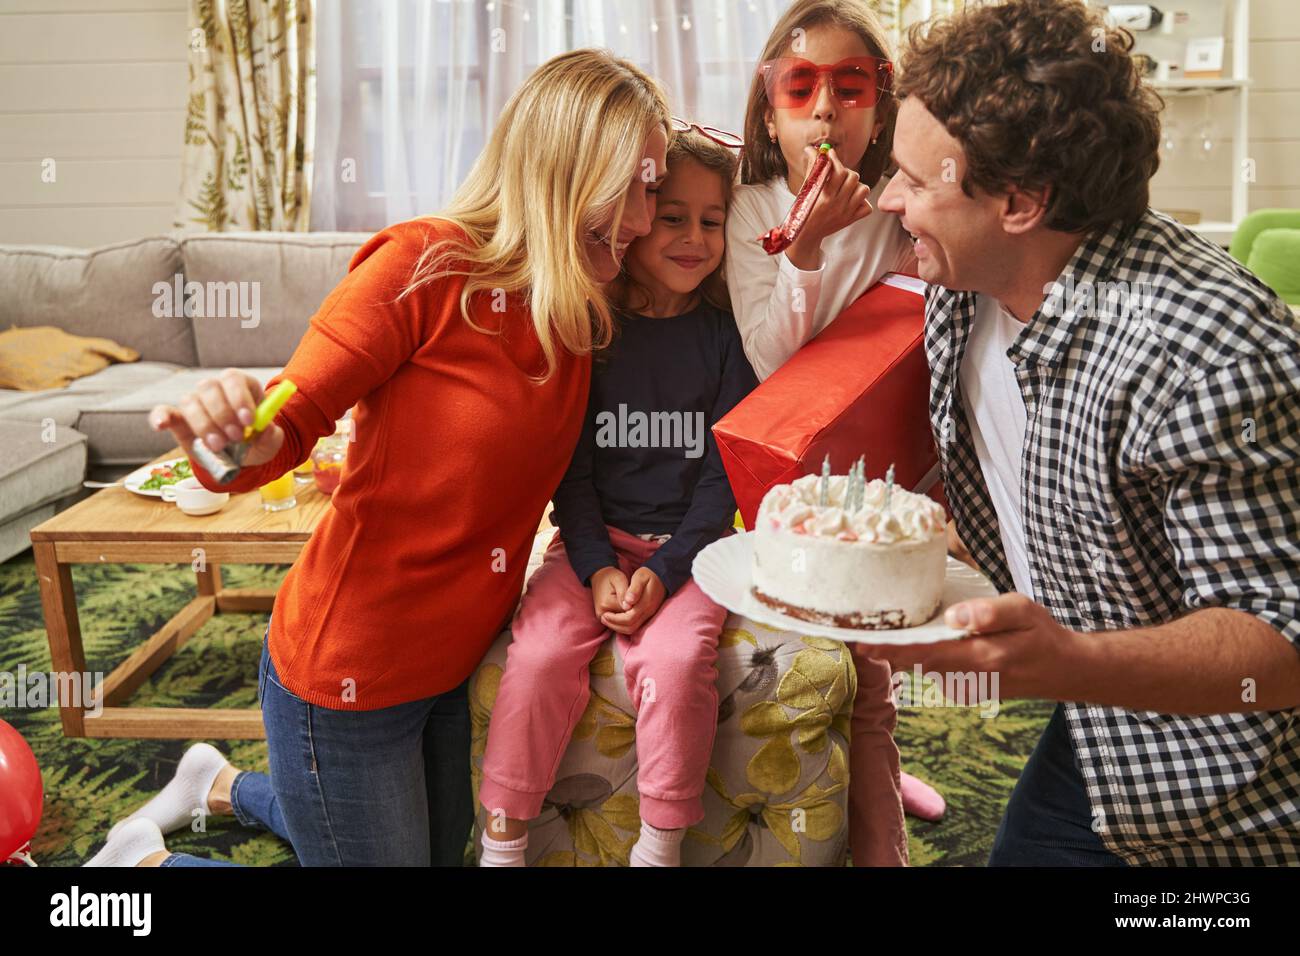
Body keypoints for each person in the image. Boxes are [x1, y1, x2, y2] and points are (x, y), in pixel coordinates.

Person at [84, 48, 674, 867]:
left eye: (656, 186)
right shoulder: (422, 266)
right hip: (348, 674)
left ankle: (218, 783)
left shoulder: (575, 307)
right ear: (571, 167)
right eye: (640, 185)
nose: (649, 218)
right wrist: (227, 439)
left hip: (454, 665)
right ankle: (147, 864)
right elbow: (286, 422)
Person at [860, 0, 1300, 865]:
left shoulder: (1209, 353)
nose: (887, 198)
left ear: (1018, 203)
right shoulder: (967, 279)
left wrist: (1066, 661)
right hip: (1100, 728)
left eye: (913, 181)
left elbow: (1284, 643)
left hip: (1243, 796)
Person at [478, 123, 758, 867]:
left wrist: (663, 576)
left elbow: (722, 480)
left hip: (693, 557)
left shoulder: (730, 337)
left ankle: (658, 848)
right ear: (632, 220)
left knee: (670, 662)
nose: (694, 237)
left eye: (712, 220)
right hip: (591, 549)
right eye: (673, 217)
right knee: (535, 656)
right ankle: (503, 840)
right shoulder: (590, 330)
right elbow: (569, 472)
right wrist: (599, 566)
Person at [725, 0, 942, 868]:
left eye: (850, 90)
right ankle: (829, 789)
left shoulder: (899, 202)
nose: (825, 111)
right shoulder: (751, 211)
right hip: (791, 464)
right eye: (801, 89)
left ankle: (881, 809)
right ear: (769, 109)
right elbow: (773, 356)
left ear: (881, 106)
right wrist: (806, 252)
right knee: (813, 649)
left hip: (888, 459)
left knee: (874, 655)